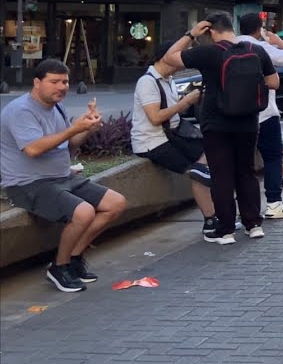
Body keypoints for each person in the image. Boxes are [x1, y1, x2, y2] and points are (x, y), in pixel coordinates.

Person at [0, 60, 127, 292]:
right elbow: (33, 149)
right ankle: (59, 267)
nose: (62, 87)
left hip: (62, 177)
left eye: (65, 82)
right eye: (54, 82)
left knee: (116, 203)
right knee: (84, 212)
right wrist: (73, 129)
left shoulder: (57, 107)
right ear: (37, 83)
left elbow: (68, 146)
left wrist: (86, 129)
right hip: (28, 184)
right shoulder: (21, 110)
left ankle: (74, 257)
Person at [164, 13, 278, 244]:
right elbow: (274, 82)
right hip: (248, 121)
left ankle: (226, 230)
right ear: (232, 28)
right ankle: (253, 224)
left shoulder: (209, 53)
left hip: (216, 123)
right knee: (246, 172)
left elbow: (170, 57)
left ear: (210, 31)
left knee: (221, 174)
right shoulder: (256, 50)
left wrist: (191, 34)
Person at [130, 42, 217, 240]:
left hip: (174, 134)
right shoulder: (147, 82)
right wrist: (185, 102)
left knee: (212, 152)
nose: (184, 62)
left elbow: (172, 113)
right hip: (153, 141)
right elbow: (155, 117)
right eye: (180, 57)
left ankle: (216, 215)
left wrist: (191, 101)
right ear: (166, 58)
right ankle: (211, 221)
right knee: (199, 172)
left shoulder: (169, 80)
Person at [236, 13, 283, 220]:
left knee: (240, 161)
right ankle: (274, 203)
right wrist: (278, 41)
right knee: (273, 156)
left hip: (234, 113)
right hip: (264, 112)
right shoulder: (262, 48)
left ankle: (241, 209)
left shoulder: (230, 46)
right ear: (259, 29)